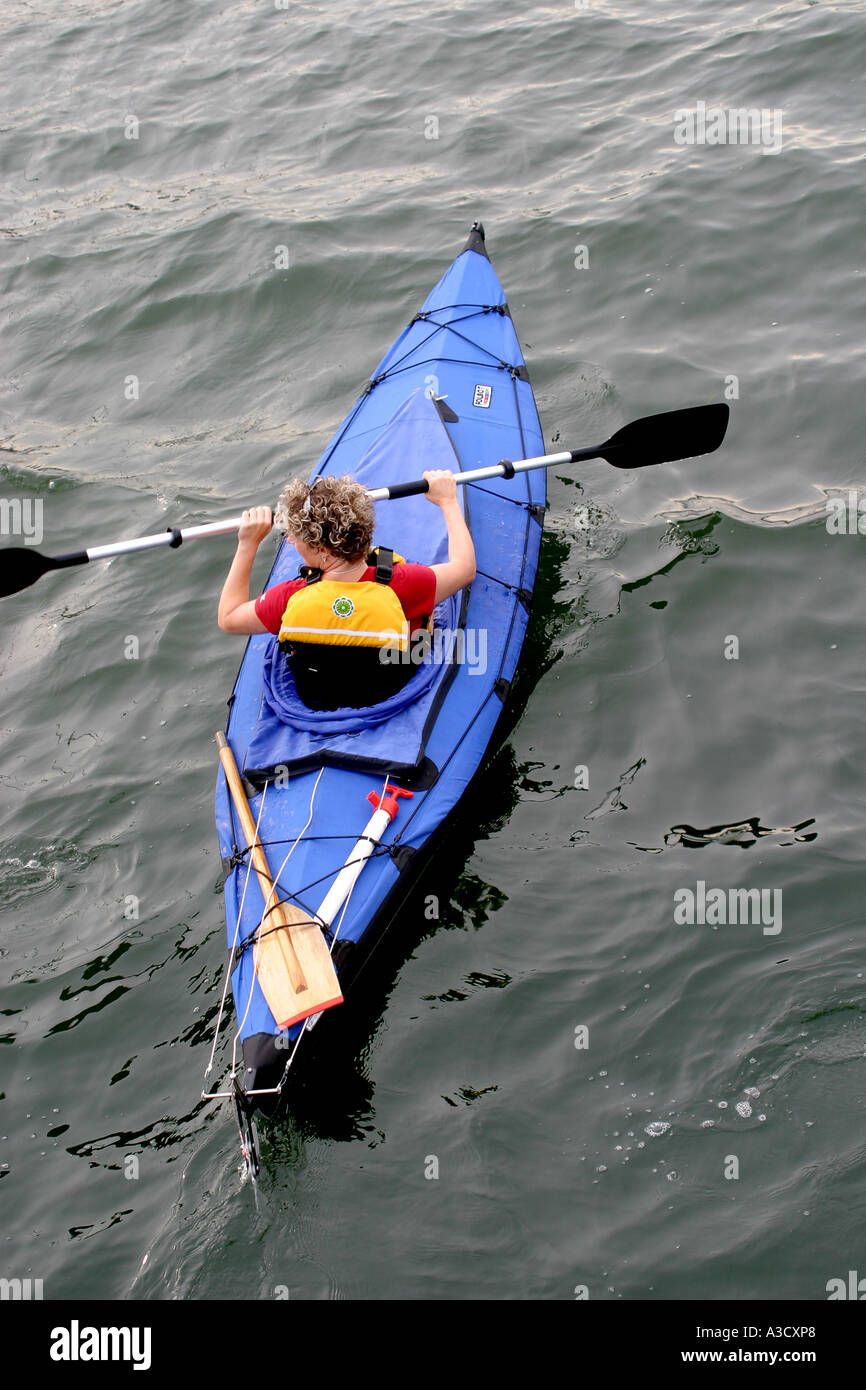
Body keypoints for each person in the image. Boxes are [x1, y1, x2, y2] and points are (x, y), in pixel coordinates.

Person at [218, 469, 475, 710]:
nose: (290, 539)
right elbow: (464, 568)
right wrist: (448, 501)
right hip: (387, 687)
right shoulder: (405, 584)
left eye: (296, 536)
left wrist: (247, 544)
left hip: (317, 697)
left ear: (321, 551)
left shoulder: (288, 598)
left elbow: (228, 617)